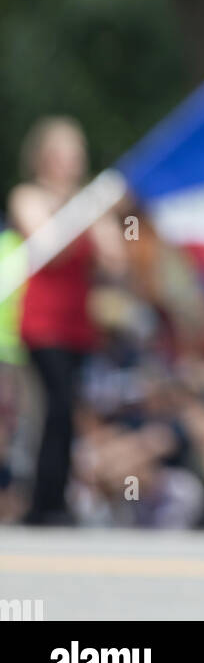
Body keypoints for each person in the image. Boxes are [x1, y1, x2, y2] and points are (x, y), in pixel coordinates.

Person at [6, 116, 124, 525]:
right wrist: (86, 211)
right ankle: (43, 502)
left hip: (78, 326)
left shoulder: (87, 201)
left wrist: (95, 213)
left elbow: (116, 258)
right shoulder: (29, 195)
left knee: (69, 410)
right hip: (41, 324)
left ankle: (56, 498)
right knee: (51, 408)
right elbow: (48, 247)